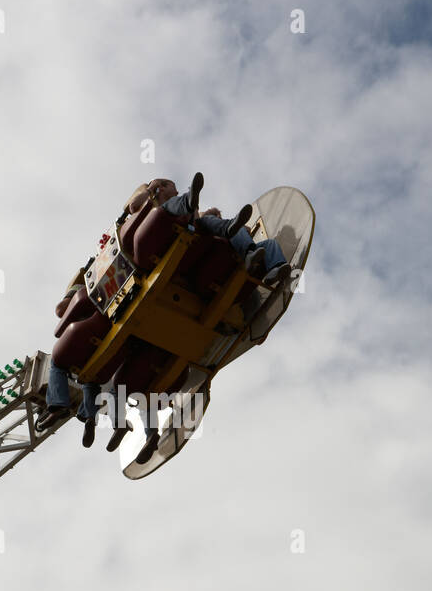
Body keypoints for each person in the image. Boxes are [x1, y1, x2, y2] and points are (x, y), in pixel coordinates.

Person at [123, 173, 291, 287]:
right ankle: (227, 227)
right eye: (174, 187)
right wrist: (151, 188)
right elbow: (133, 206)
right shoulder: (156, 204)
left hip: (192, 238)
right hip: (164, 240)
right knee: (180, 208)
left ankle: (271, 265)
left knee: (268, 243)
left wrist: (221, 220)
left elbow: (199, 222)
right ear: (163, 186)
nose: (176, 190)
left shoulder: (190, 214)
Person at [36, 266, 101, 448]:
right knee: (91, 377)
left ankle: (57, 406)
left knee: (57, 364)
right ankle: (89, 416)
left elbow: (60, 310)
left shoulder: (84, 284)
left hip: (83, 333)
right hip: (107, 337)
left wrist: (70, 295)